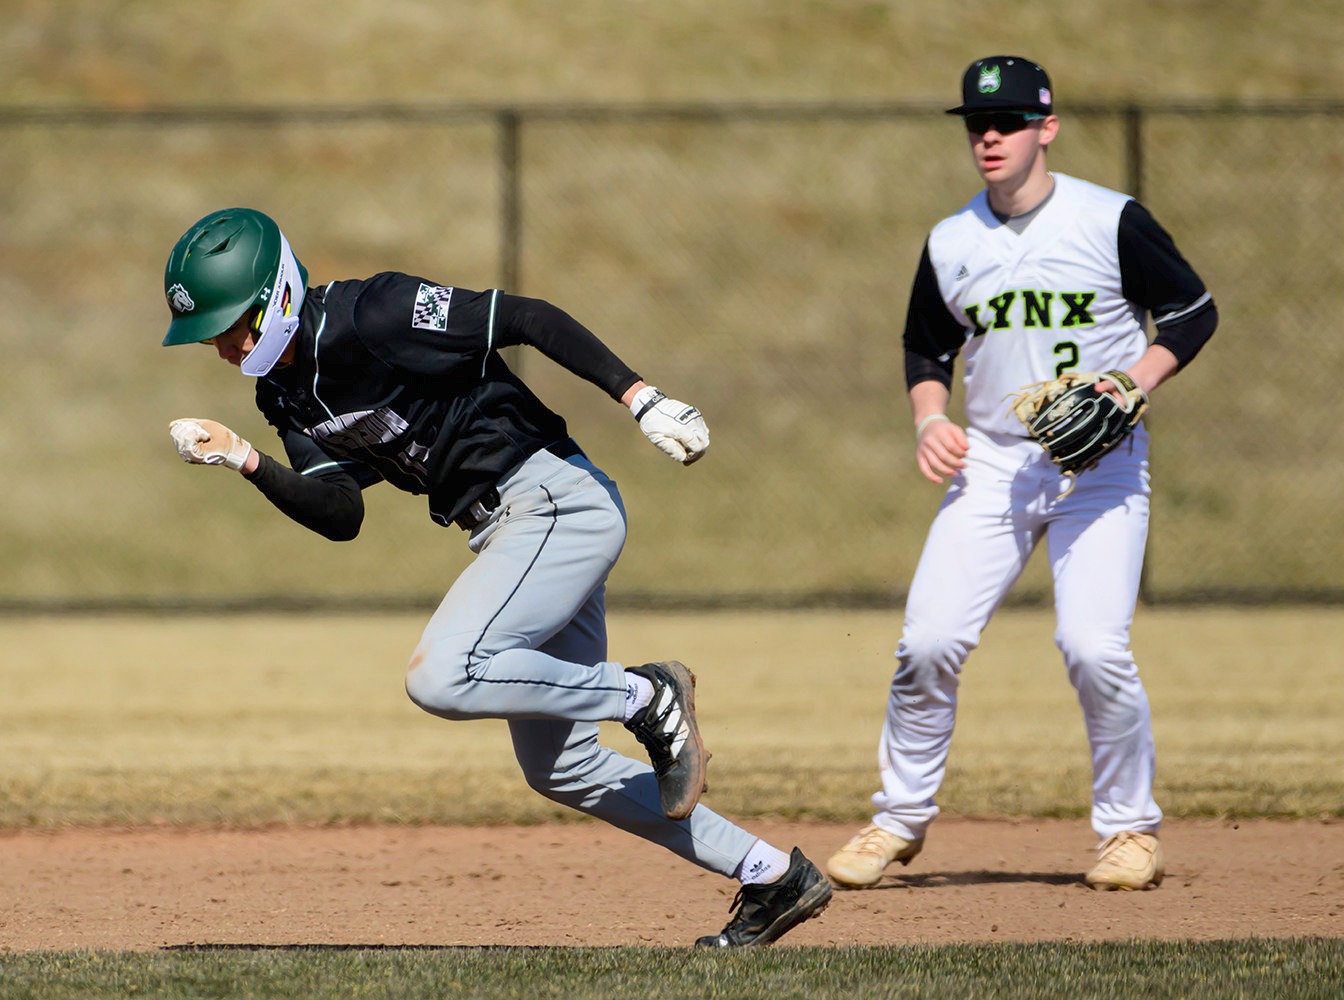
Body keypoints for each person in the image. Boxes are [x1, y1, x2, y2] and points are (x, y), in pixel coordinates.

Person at [160, 207, 831, 946]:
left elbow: (525, 318)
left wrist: (639, 397)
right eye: (213, 335)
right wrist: (246, 459)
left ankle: (645, 695)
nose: (225, 346)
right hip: (508, 532)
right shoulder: (281, 394)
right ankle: (772, 875)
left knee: (441, 675)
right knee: (561, 767)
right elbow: (340, 512)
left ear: (277, 293)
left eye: (232, 324)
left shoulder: (372, 312)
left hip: (551, 500)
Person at [826, 56, 1217, 891]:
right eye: (978, 124)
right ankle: (898, 819)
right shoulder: (952, 240)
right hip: (995, 461)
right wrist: (930, 418)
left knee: (1092, 645)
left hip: (1101, 464)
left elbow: (1192, 312)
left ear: (1048, 128)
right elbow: (926, 346)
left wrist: (1131, 384)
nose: (991, 137)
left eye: (1008, 122)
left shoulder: (1109, 220)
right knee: (928, 642)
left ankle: (1130, 832)